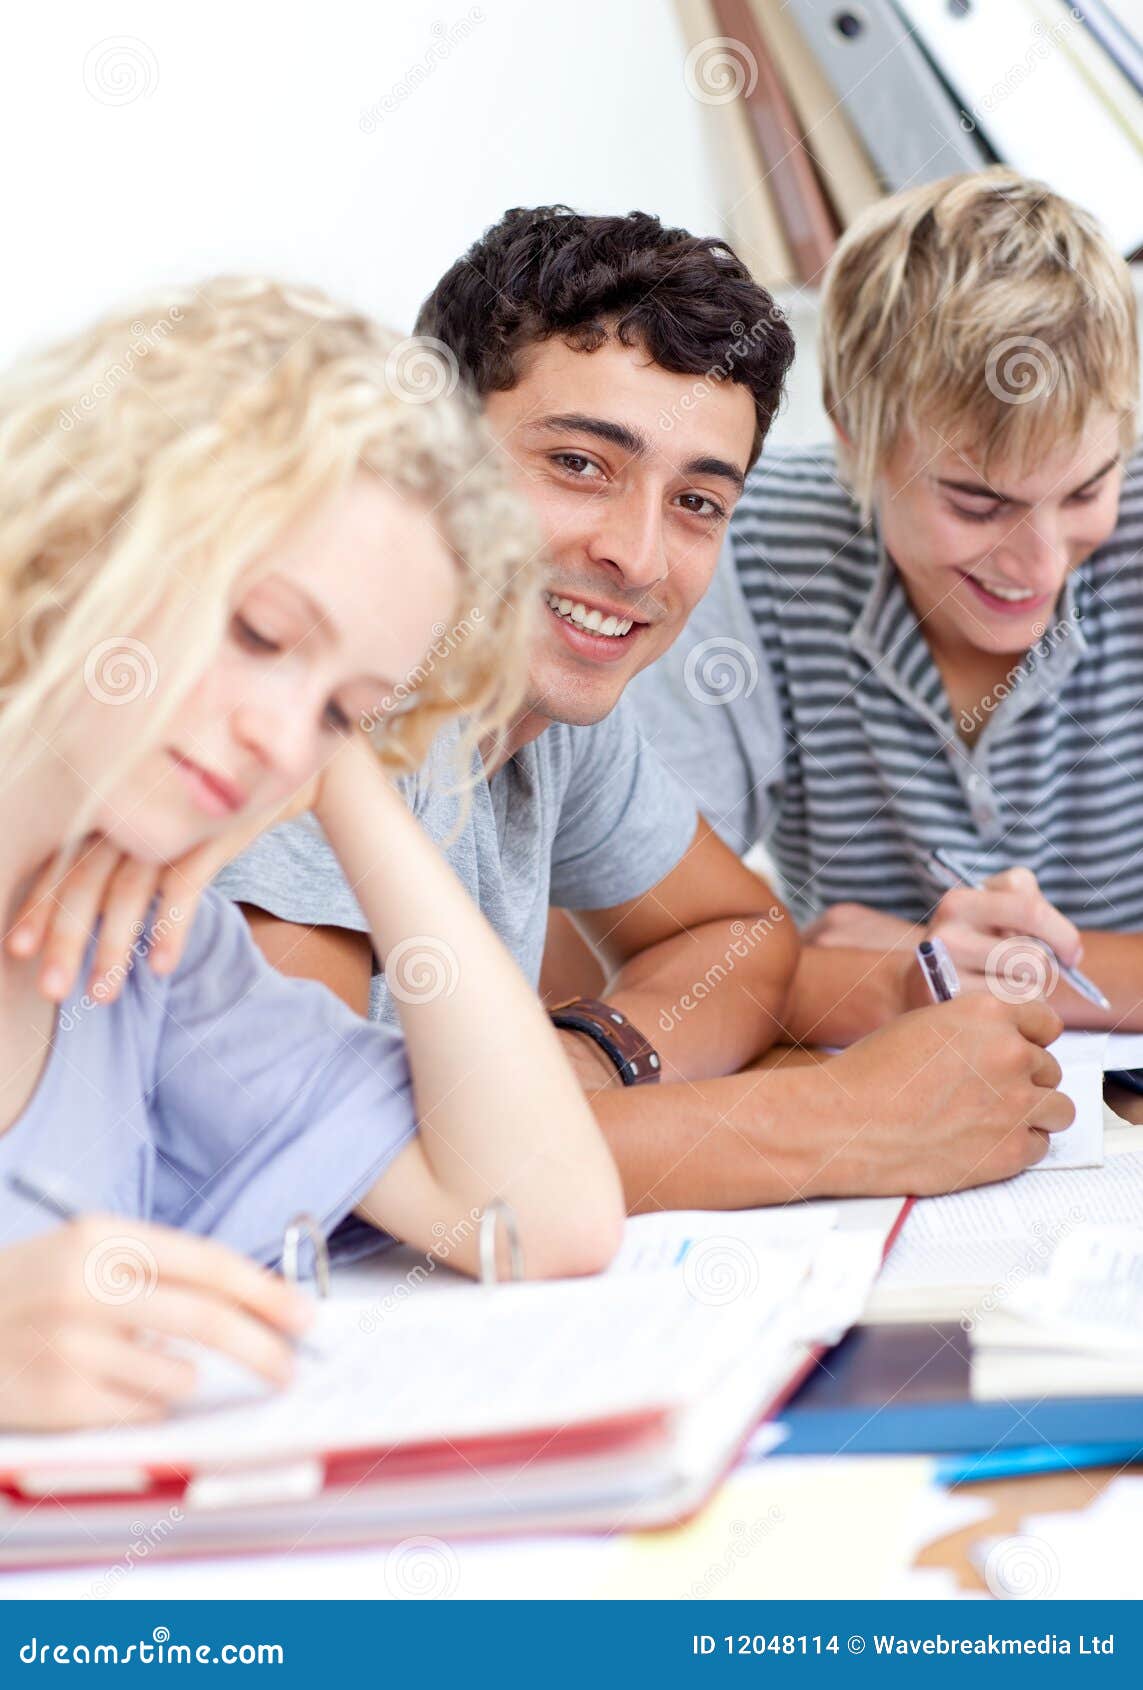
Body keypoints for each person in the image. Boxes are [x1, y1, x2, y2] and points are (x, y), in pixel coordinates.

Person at [22, 212, 1072, 1210]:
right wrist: (843, 1118)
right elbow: (347, 1160)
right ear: (438, 461)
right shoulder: (289, 724)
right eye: (579, 464)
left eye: (698, 502)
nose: (638, 554)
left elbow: (741, 933)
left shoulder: (547, 712)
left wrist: (600, 1054)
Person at [0, 278, 623, 1431]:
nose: (279, 735)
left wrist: (340, 771)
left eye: (344, 705)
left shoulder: (144, 951)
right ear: (82, 537)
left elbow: (543, 1219)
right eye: (261, 633)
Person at [635, 169, 1142, 1043]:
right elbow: (653, 947)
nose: (1040, 562)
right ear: (851, 434)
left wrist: (919, 969)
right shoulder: (743, 544)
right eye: (977, 504)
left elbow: (772, 970)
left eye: (1086, 490)